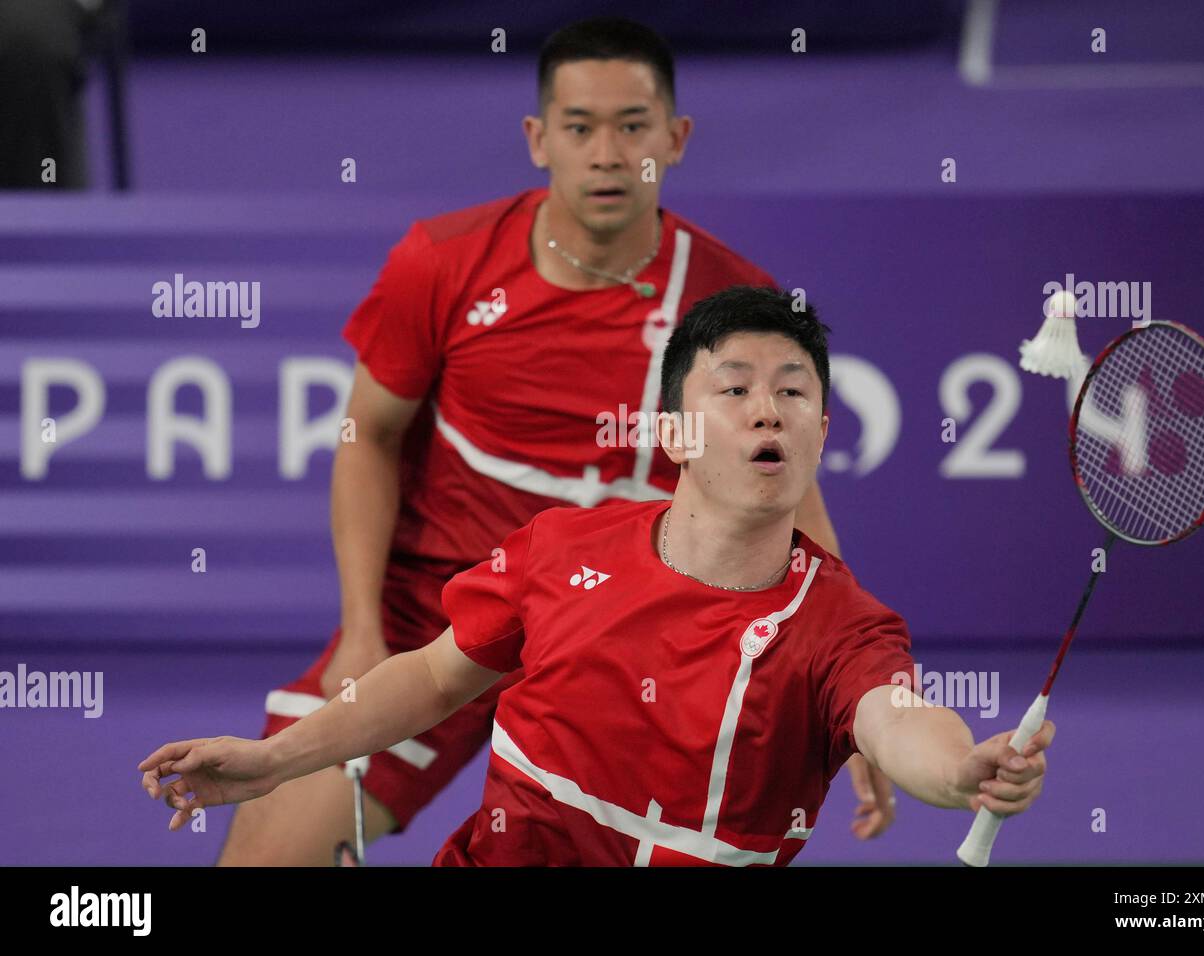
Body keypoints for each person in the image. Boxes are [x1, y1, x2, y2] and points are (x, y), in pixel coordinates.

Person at [218, 16, 894, 865]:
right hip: (434, 614)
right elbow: (369, 438)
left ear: (675, 139)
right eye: (580, 128)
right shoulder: (441, 262)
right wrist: (360, 628)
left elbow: (792, 503)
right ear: (539, 140)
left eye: (633, 126)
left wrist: (856, 699)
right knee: (267, 852)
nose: (607, 154)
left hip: (623, 632)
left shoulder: (727, 301)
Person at [142, 285, 1054, 866]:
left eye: (794, 390)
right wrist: (272, 760)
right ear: (671, 435)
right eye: (732, 389)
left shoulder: (844, 628)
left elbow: (900, 723)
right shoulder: (562, 553)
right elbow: (429, 678)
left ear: (822, 431)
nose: (766, 408)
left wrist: (961, 768)